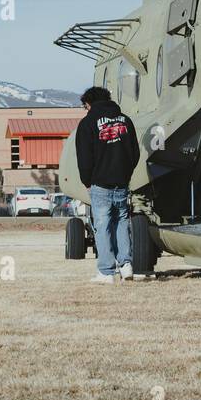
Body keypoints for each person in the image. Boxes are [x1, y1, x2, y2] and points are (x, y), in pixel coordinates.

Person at [76, 85, 141, 283]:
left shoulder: (87, 124)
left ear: (89, 103)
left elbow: (84, 158)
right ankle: (126, 265)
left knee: (102, 225)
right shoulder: (126, 120)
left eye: (85, 106)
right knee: (121, 221)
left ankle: (106, 272)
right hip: (121, 182)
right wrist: (126, 174)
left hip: (100, 183)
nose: (85, 110)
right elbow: (135, 153)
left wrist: (87, 181)